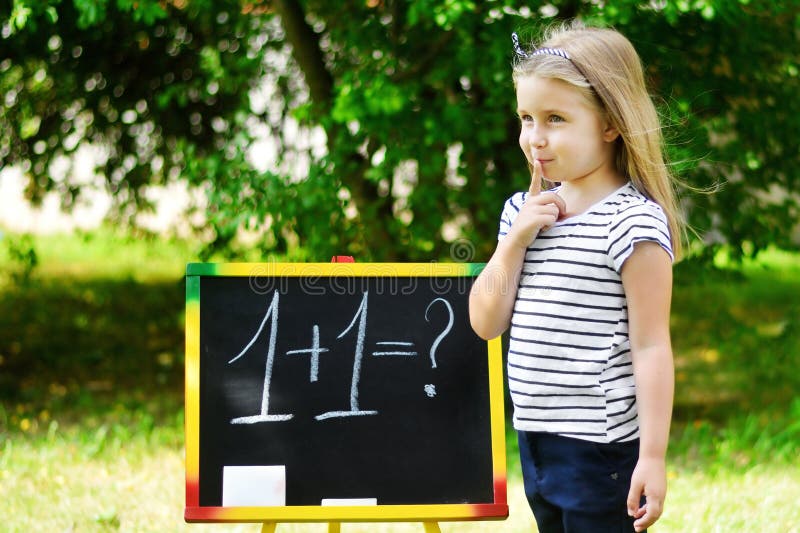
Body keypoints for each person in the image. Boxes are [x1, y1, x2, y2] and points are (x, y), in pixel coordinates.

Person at [469, 21, 684, 533]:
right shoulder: (522, 212)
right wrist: (513, 241)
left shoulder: (631, 224)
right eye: (526, 118)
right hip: (535, 438)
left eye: (555, 118)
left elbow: (651, 346)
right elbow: (484, 322)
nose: (534, 138)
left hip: (600, 449)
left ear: (610, 123)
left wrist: (651, 457)